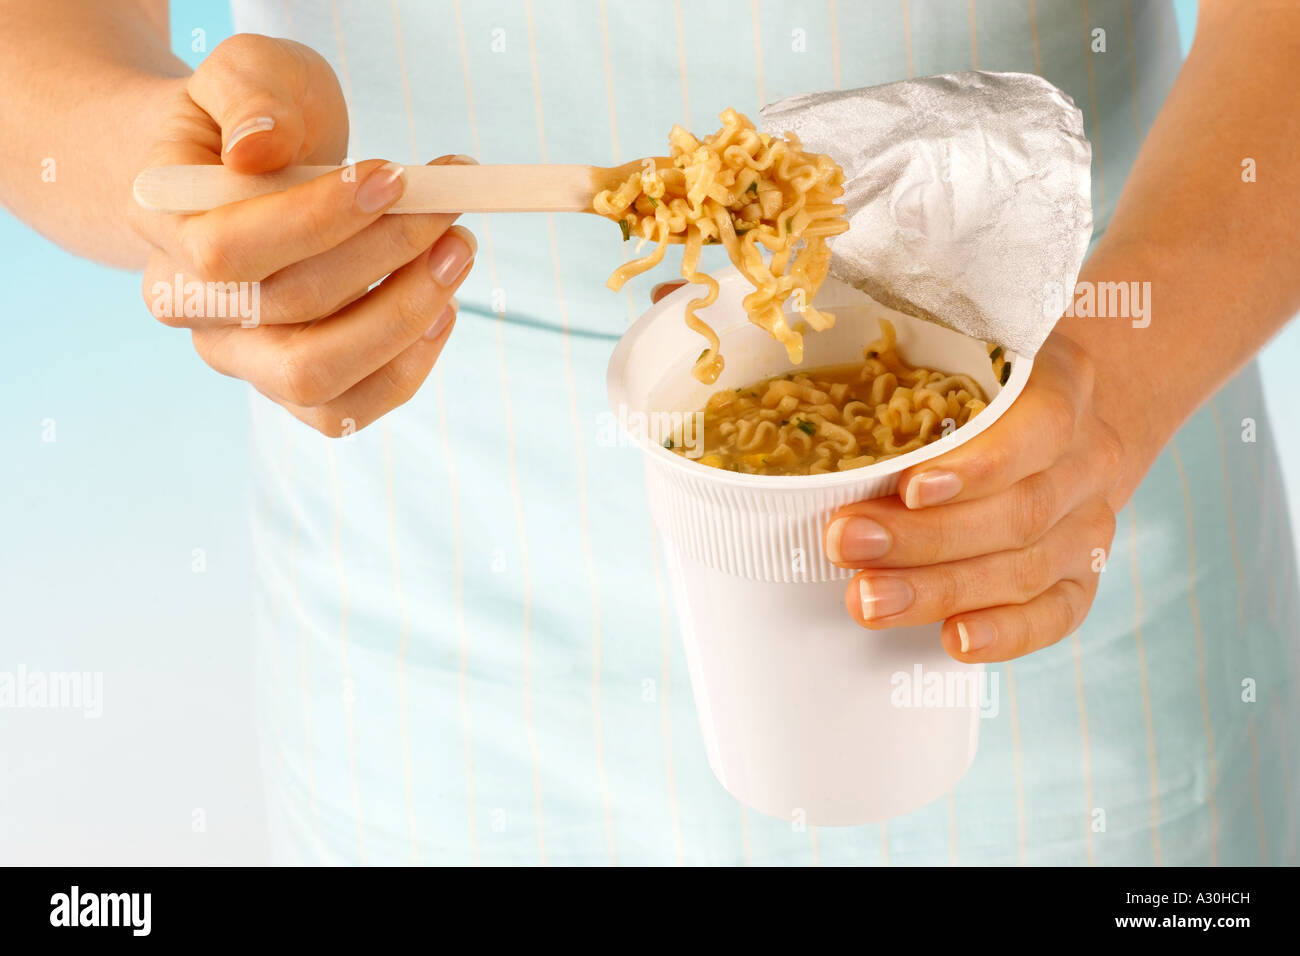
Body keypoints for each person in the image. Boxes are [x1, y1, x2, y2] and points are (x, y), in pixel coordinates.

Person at [1, 0, 1296, 865]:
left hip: (1047, 471)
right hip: (430, 603)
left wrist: (1108, 389)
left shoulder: (1076, 414)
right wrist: (173, 191)